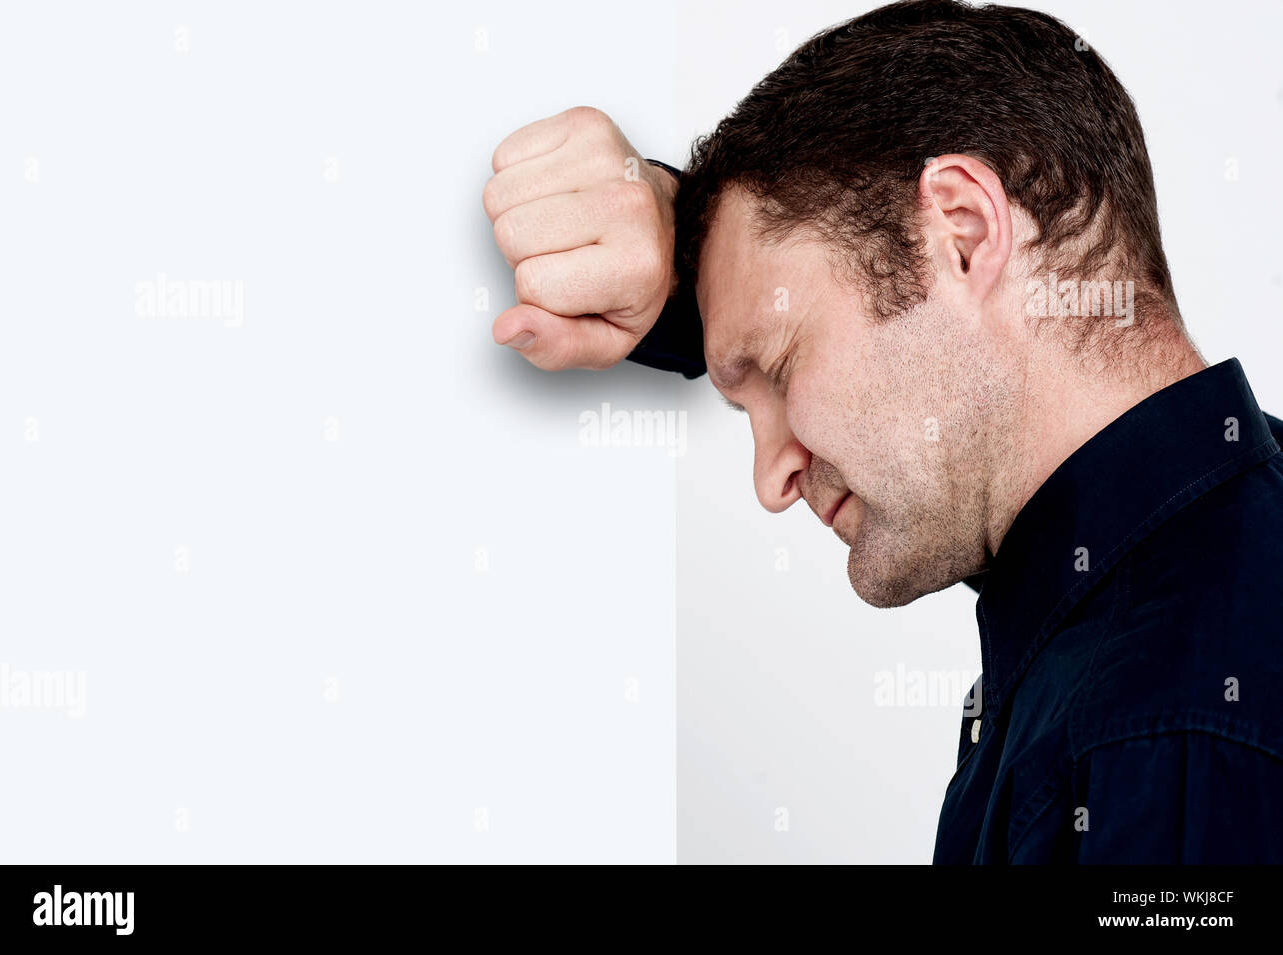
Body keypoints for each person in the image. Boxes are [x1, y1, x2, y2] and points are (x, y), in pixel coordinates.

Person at [481, 0, 1283, 863]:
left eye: (781, 369)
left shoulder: (1161, 742)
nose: (770, 480)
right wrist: (691, 255)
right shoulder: (1210, 572)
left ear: (964, 234)